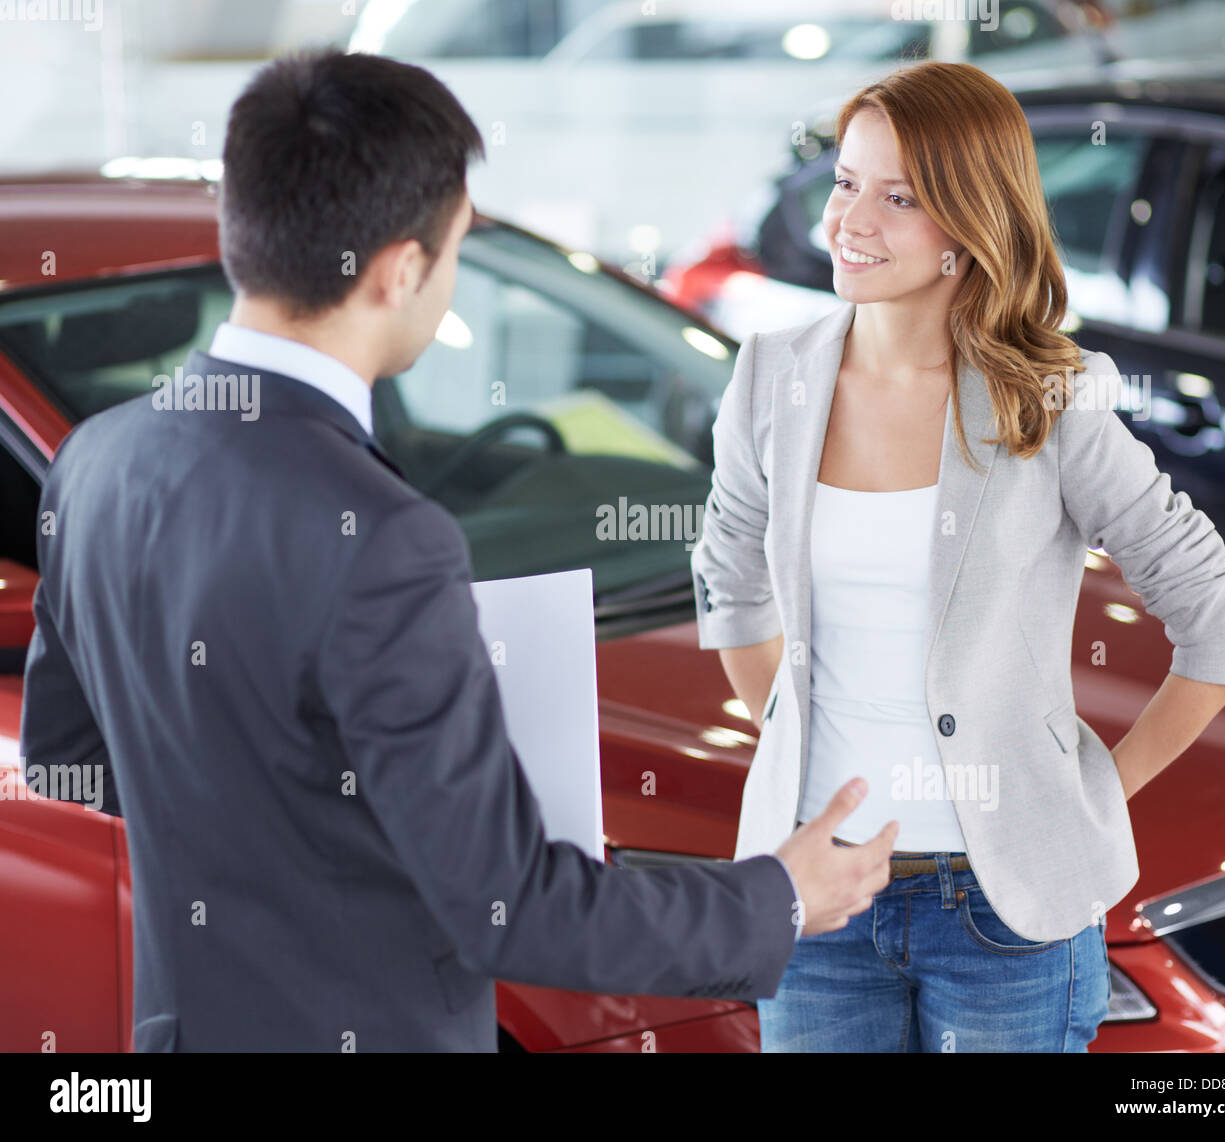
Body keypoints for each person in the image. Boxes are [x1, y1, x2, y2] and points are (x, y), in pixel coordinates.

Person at [19, 48, 899, 1052]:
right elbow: (512, 910)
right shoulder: (386, 540)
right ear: (399, 269)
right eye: (454, 251)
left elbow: (68, 760)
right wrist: (780, 895)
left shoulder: (95, 463)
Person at [689, 61, 1225, 1052]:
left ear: (966, 224)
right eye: (844, 183)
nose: (850, 220)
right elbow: (731, 583)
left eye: (898, 197)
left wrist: (1090, 792)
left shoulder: (1049, 395)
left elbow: (1219, 618)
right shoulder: (770, 376)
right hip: (819, 894)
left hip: (1004, 911)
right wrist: (793, 745)